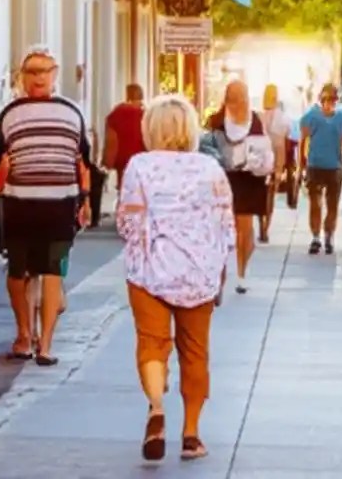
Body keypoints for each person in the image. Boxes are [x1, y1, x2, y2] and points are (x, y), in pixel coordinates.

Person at [118, 94, 233, 462]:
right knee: (195, 352)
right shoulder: (210, 169)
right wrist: (219, 268)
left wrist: (142, 248)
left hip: (150, 270)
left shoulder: (139, 165)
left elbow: (128, 221)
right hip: (198, 273)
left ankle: (156, 408)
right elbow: (225, 226)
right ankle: (191, 435)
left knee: (152, 344)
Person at [0, 46, 91, 367]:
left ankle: (45, 344)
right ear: (22, 76)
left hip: (60, 205)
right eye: (32, 71)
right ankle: (24, 333)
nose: (39, 77)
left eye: (45, 71)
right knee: (18, 273)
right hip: (20, 205)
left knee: (51, 274)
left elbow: (83, 164)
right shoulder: (9, 114)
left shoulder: (72, 112)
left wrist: (85, 201)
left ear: (55, 75)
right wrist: (2, 175)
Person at [199, 81, 273, 294]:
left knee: (245, 228)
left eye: (242, 97)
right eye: (234, 98)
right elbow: (205, 149)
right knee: (221, 228)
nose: (239, 102)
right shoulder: (215, 121)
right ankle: (220, 272)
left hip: (249, 179)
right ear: (227, 99)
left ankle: (242, 271)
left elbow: (266, 146)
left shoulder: (257, 120)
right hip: (223, 178)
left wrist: (264, 163)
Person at [298, 83, 342, 255]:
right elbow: (303, 139)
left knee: (332, 206)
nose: (328, 103)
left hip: (334, 168)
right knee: (314, 204)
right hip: (315, 166)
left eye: (332, 99)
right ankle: (316, 237)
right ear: (320, 99)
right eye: (325, 99)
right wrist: (301, 163)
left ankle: (329, 235)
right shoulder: (311, 116)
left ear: (337, 100)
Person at [258, 85, 292, 244]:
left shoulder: (258, 117)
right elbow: (287, 137)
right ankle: (266, 227)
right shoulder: (283, 118)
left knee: (260, 194)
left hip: (260, 159)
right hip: (277, 159)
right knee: (271, 194)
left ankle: (260, 224)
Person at [103, 84, 147, 191]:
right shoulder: (145, 115)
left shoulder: (116, 114)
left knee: (123, 189)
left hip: (122, 161)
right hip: (141, 159)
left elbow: (111, 141)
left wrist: (107, 163)